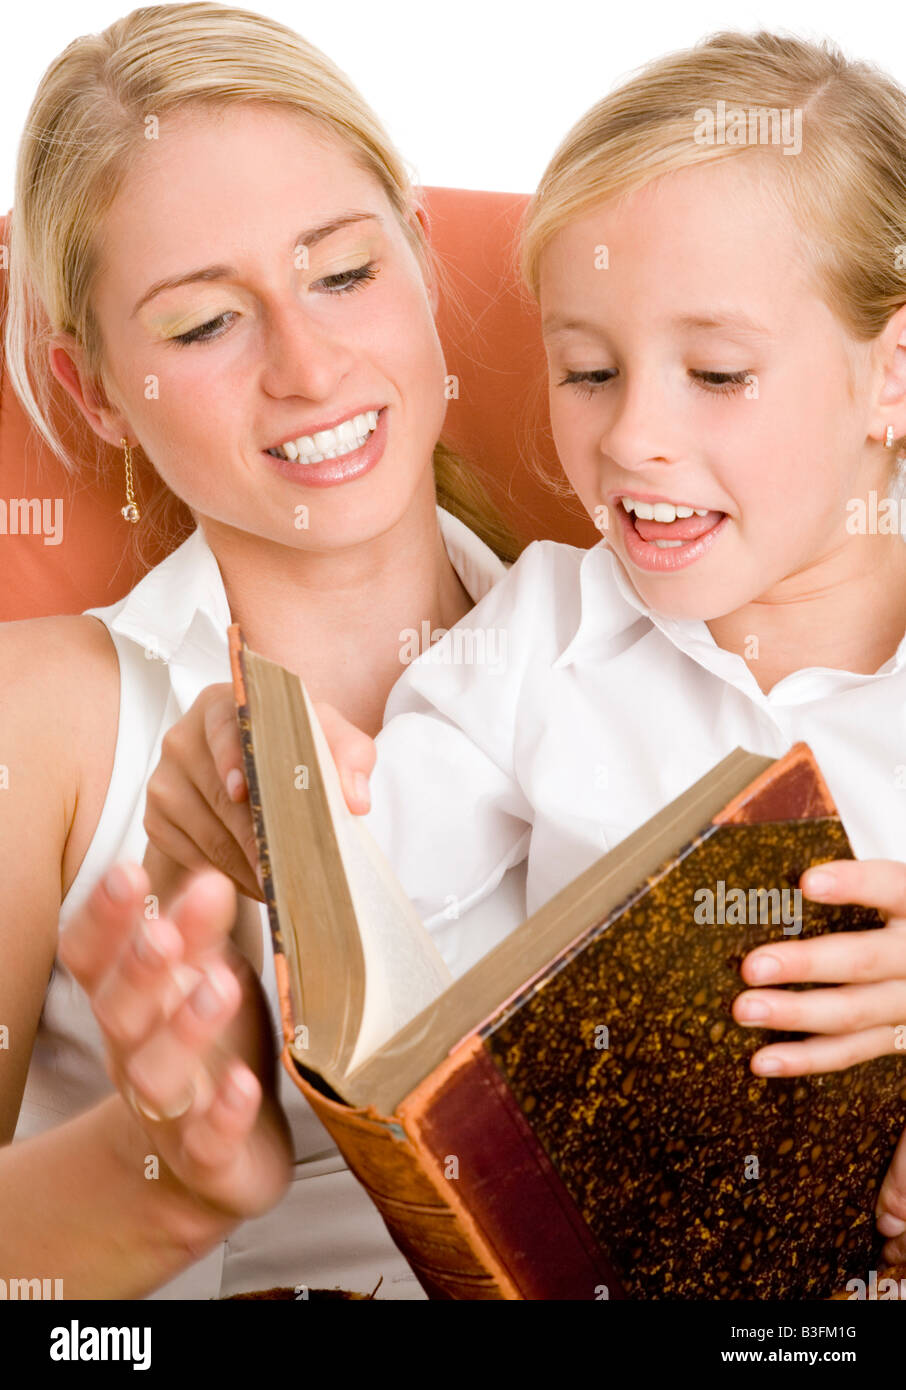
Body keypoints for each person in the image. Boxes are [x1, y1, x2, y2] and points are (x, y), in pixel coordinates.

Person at [137, 28, 906, 1280]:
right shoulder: (551, 631)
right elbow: (377, 885)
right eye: (587, 371)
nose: (634, 436)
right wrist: (280, 792)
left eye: (717, 373)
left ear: (892, 378)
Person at [0, 1, 528, 1299]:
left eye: (343, 273)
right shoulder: (51, 713)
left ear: (413, 253)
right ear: (96, 390)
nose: (308, 365)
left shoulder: (644, 644)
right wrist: (164, 1171)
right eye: (201, 325)